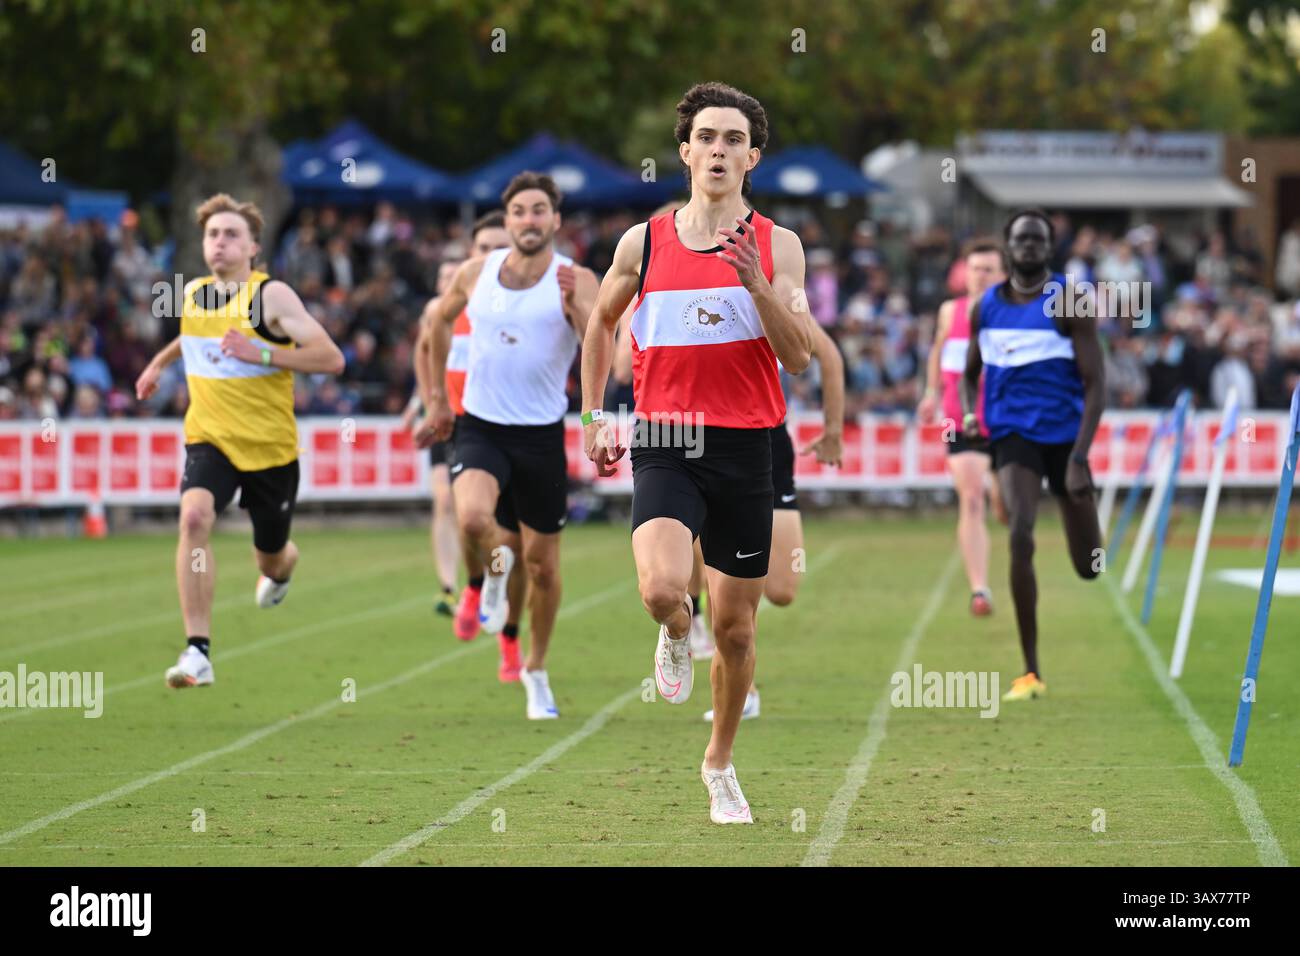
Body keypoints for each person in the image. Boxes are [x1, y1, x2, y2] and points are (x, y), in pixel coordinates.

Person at [580, 82, 812, 823]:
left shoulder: (778, 246)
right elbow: (598, 325)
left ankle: (719, 763)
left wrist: (755, 283)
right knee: (661, 590)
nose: (719, 149)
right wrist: (592, 415)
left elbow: (800, 355)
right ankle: (678, 633)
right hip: (665, 440)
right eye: (706, 137)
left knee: (739, 629)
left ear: (753, 157)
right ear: (684, 152)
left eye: (733, 139)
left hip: (748, 447)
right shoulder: (642, 242)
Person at [135, 193, 344, 689]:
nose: (220, 243)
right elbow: (192, 336)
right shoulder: (193, 294)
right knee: (193, 517)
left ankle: (282, 568)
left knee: (271, 555)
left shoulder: (271, 297)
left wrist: (264, 354)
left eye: (231, 234)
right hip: (211, 439)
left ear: (253, 246)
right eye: (212, 234)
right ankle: (197, 651)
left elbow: (331, 358)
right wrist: (159, 364)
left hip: (270, 450)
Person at [425, 173, 598, 718]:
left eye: (539, 210)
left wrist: (581, 313)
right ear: (506, 221)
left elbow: (605, 348)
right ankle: (488, 584)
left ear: (555, 221)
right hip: (480, 424)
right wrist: (434, 399)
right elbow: (435, 325)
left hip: (541, 435)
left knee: (543, 565)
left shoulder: (574, 278)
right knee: (473, 519)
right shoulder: (477, 274)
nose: (529, 220)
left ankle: (537, 669)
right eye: (519, 211)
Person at [961, 209, 1105, 702]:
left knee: (1091, 566)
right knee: (1020, 532)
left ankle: (1082, 506)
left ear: (1049, 248)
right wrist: (970, 413)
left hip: (1065, 439)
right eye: (1020, 239)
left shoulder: (1069, 301)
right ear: (1007, 246)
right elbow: (968, 373)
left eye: (1038, 240)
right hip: (1013, 437)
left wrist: (1081, 456)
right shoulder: (985, 307)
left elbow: (1096, 383)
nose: (1028, 247)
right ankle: (1030, 670)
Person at [702, 322, 845, 722]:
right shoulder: (678, 283)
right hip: (697, 440)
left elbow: (829, 356)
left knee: (782, 588)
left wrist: (833, 430)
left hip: (765, 442)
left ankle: (716, 607)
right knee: (715, 574)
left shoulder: (771, 291)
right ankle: (740, 686)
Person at [918, 237, 1006, 615]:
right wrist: (930, 392)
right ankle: (980, 589)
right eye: (975, 269)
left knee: (1007, 507)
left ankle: (1003, 500)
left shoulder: (1016, 313)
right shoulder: (949, 312)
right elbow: (939, 349)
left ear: (1004, 274)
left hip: (1007, 419)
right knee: (970, 499)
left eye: (988, 269)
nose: (980, 276)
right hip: (960, 419)